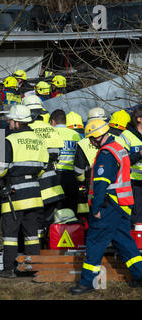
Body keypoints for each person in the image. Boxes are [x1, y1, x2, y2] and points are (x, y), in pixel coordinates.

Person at [70, 119, 142, 295]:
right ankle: (140, 275)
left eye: (91, 139)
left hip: (108, 205)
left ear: (96, 136)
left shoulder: (105, 154)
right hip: (123, 205)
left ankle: (87, 282)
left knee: (95, 242)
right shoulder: (118, 148)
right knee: (125, 243)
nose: (90, 142)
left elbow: (101, 184)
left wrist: (95, 209)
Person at [0, 104, 49, 278]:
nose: (9, 123)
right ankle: (32, 268)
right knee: (31, 234)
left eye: (11, 120)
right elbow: (43, 167)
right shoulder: (40, 140)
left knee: (10, 234)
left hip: (14, 194)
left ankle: (8, 269)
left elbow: (0, 169)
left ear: (17, 122)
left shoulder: (8, 141)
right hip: (34, 193)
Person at [23, 95, 65, 242]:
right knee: (51, 224)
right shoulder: (50, 129)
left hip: (34, 187)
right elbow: (56, 154)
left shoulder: (26, 130)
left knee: (34, 225)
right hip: (52, 187)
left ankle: (37, 251)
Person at [50, 109, 81, 213]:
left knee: (58, 207)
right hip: (73, 176)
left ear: (53, 121)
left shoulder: (52, 133)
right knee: (72, 206)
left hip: (57, 175)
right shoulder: (76, 135)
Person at [119, 106, 142, 227]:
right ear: (139, 119)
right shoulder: (126, 135)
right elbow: (122, 159)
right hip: (134, 182)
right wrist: (139, 154)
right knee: (137, 215)